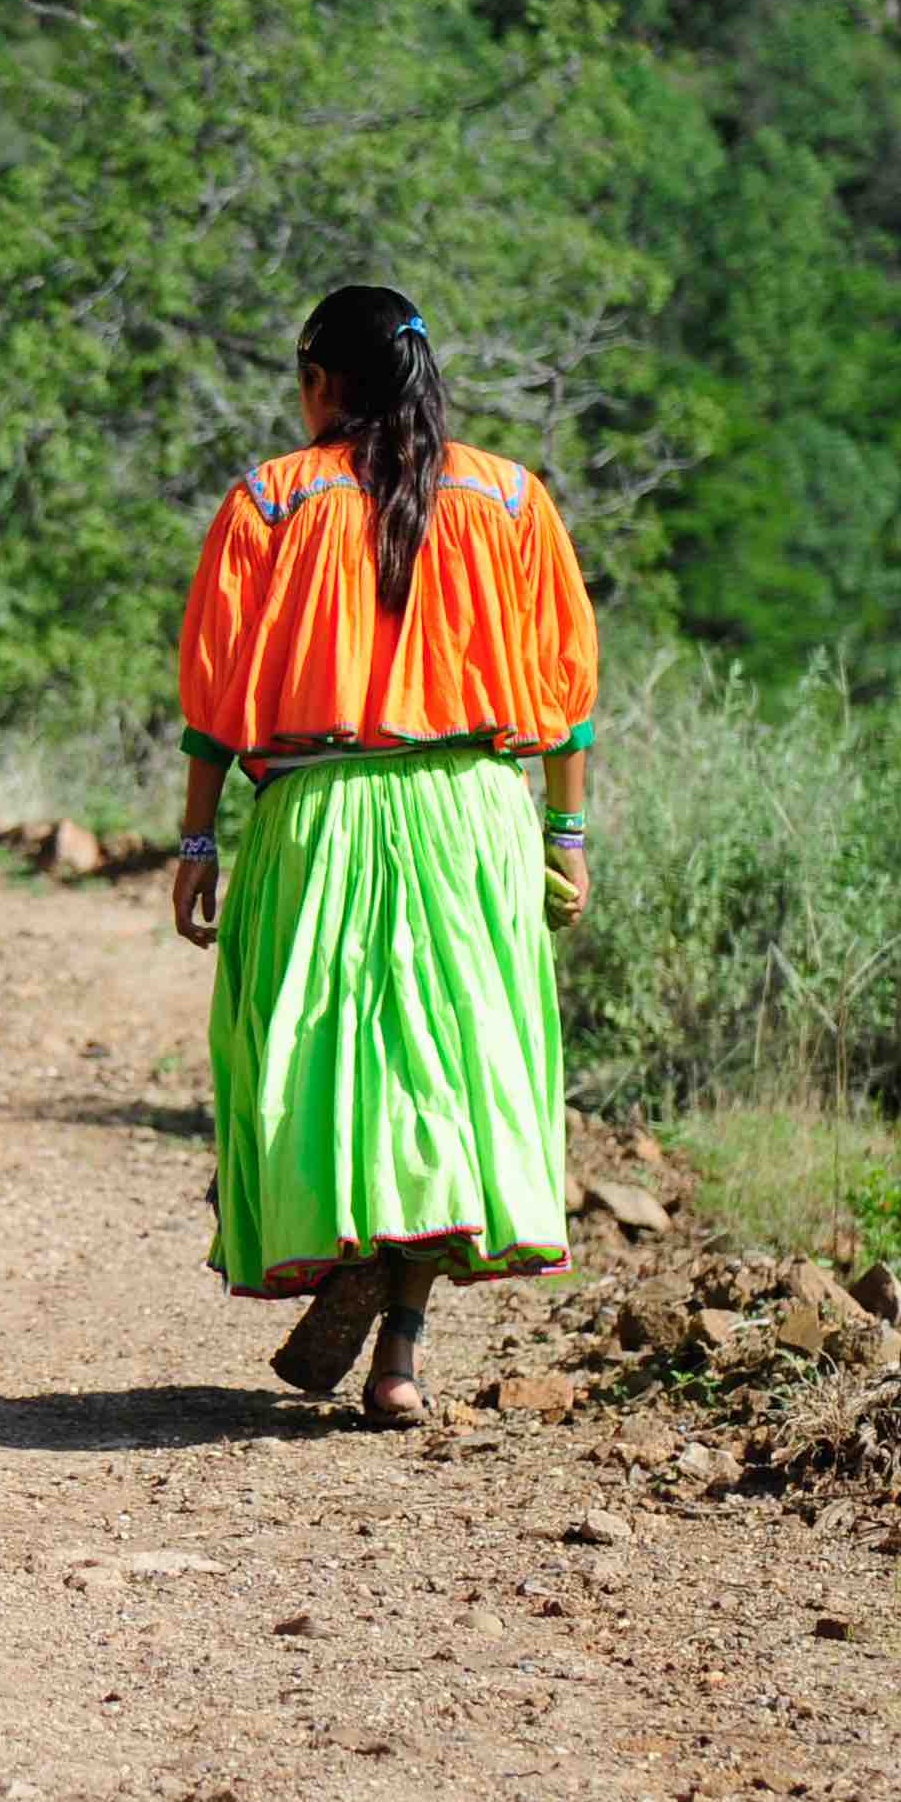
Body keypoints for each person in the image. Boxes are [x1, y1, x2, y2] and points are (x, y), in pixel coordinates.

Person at [167, 287, 599, 1427]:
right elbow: (566, 691)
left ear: (322, 381)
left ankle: (349, 1231)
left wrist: (200, 835)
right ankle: (400, 1350)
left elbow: (214, 692)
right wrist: (566, 833)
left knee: (317, 1056)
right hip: (471, 814)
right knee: (451, 1067)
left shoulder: (270, 499)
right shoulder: (509, 497)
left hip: (318, 813)